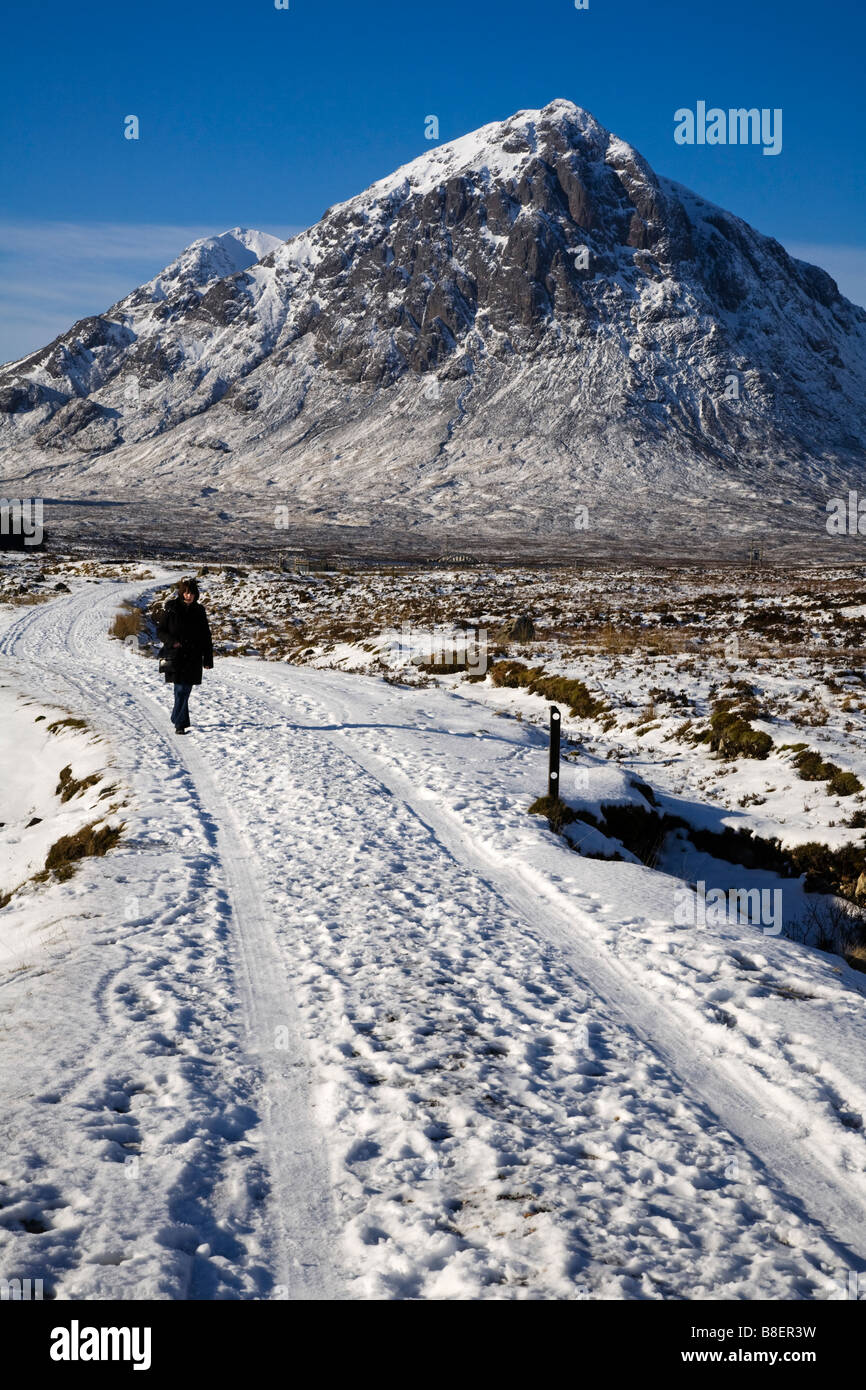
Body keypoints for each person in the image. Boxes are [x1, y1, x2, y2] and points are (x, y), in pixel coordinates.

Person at [156, 578, 213, 734]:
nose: (189, 596)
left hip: (194, 656)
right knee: (180, 689)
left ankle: (177, 717)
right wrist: (172, 641)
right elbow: (160, 631)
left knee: (184, 690)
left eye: (191, 593)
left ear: (196, 594)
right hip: (176, 655)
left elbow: (206, 636)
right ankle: (180, 724)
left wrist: (208, 658)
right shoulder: (172, 608)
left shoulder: (199, 611)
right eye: (186, 593)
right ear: (181, 593)